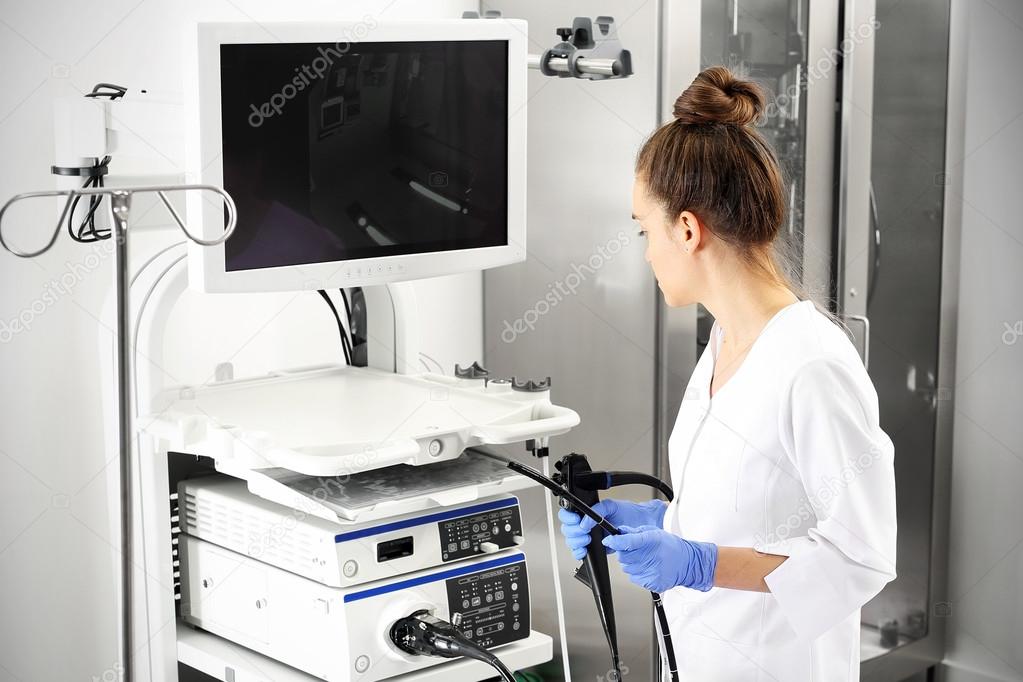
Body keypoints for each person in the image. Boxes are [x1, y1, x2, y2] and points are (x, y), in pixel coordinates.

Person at [560, 66, 897, 681]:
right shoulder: (724, 342)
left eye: (644, 230)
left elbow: (860, 555)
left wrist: (698, 563)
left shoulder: (812, 364)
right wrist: (660, 522)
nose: (644, 253)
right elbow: (753, 510)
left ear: (687, 230)